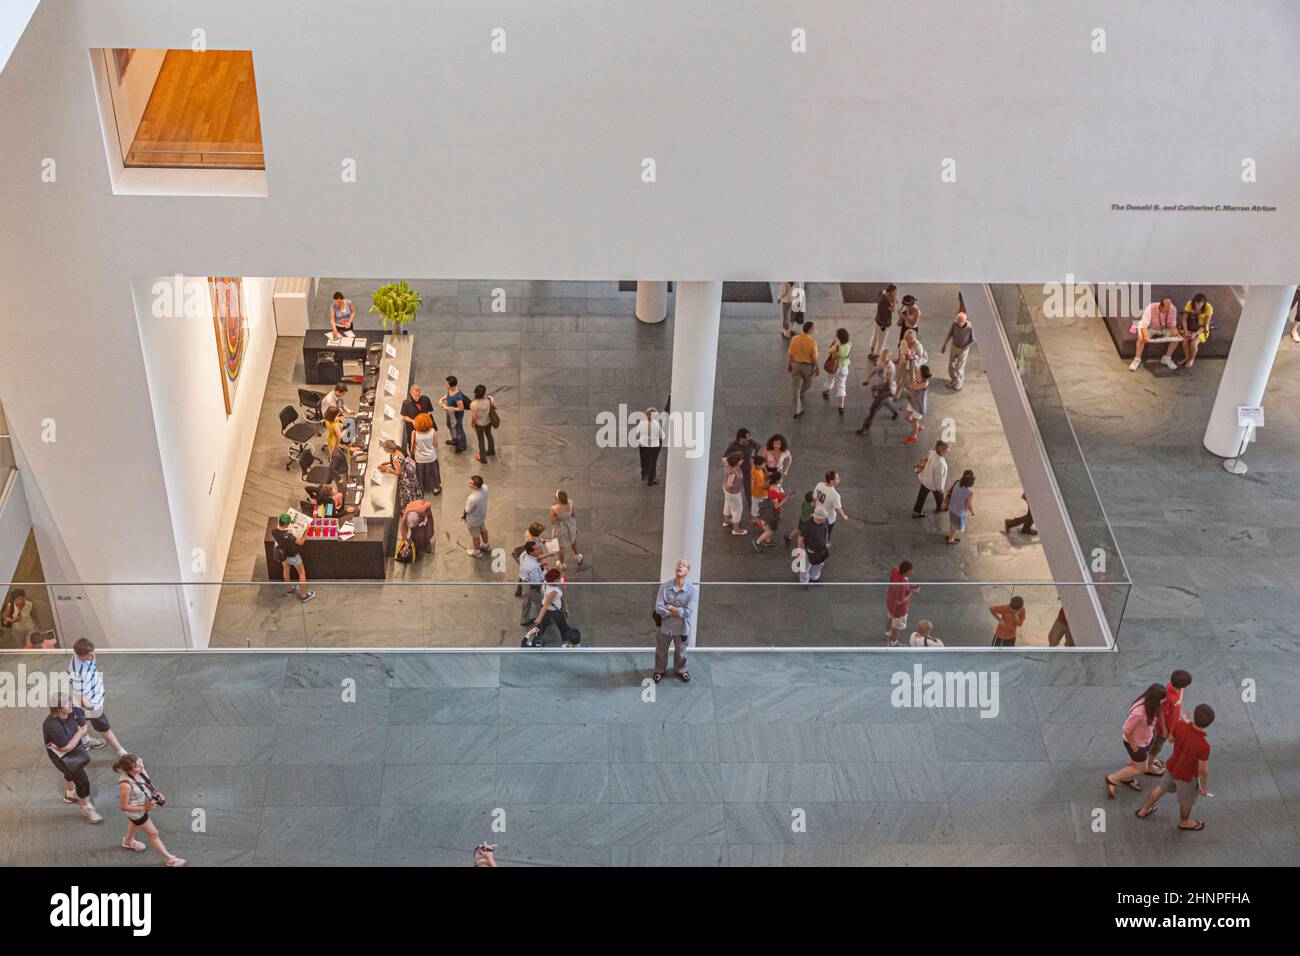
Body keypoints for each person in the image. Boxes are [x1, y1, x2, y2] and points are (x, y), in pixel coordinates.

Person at [1135, 703, 1214, 831]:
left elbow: (1171, 740)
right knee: (1187, 801)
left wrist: (1185, 722)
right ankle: (1184, 821)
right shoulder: (1204, 745)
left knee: (1160, 788)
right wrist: (1203, 788)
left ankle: (1144, 810)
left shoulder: (1180, 725)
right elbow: (1202, 770)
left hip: (1172, 765)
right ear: (1208, 724)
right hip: (1187, 775)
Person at [113, 754, 185, 866]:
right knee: (153, 834)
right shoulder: (125, 785)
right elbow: (123, 806)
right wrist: (144, 807)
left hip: (145, 804)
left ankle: (128, 841)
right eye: (137, 766)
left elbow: (147, 783)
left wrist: (156, 793)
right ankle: (170, 859)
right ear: (129, 770)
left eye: (140, 762)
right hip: (136, 812)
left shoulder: (140, 770)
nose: (141, 766)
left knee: (134, 823)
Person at [43, 695, 103, 824]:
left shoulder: (73, 710)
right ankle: (87, 808)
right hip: (61, 756)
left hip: (74, 747)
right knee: (83, 781)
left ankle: (69, 795)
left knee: (71, 774)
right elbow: (66, 748)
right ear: (57, 709)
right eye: (66, 704)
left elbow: (84, 727)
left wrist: (80, 732)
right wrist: (79, 733)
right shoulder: (52, 725)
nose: (70, 705)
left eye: (69, 701)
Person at [1105, 683, 1168, 798]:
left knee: (1134, 762)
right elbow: (1127, 730)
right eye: (1163, 698)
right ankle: (1113, 778)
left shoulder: (1149, 702)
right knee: (1141, 768)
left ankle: (1126, 777)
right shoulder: (1139, 713)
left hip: (1144, 740)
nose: (1165, 700)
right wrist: (1134, 745)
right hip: (1137, 744)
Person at [68, 639, 126, 755]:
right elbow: (78, 695)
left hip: (94, 694)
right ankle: (123, 753)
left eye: (93, 652)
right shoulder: (78, 673)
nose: (93, 656)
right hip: (91, 702)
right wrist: (91, 707)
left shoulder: (87, 654)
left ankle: (86, 741)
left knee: (80, 721)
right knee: (104, 728)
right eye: (89, 655)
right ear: (80, 655)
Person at [652, 559, 697, 683]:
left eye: (683, 565)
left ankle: (681, 670)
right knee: (661, 650)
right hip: (665, 626)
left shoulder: (692, 590)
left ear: (687, 571)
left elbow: (688, 611)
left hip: (682, 628)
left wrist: (671, 608)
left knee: (681, 651)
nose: (680, 566)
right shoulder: (665, 587)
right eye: (678, 564)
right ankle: (659, 670)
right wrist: (677, 612)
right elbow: (659, 607)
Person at [1146, 669, 1192, 774]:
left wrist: (1179, 716)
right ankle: (1149, 766)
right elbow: (1161, 713)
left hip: (1172, 723)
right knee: (1156, 747)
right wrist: (1164, 730)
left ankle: (1150, 759)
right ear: (1183, 685)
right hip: (1163, 727)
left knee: (1155, 746)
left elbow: (1178, 702)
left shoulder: (1178, 690)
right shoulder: (1168, 697)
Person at [856, 349, 902, 433]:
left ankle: (865, 428)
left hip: (885, 391)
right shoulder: (880, 360)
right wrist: (868, 379)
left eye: (885, 357)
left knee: (873, 410)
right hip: (882, 389)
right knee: (887, 402)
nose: (883, 358)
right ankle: (897, 411)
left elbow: (888, 383)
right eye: (882, 356)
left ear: (888, 357)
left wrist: (877, 388)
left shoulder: (890, 368)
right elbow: (875, 369)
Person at [272, 514, 315, 603]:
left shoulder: (274, 531)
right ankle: (304, 595)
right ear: (286, 524)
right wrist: (307, 529)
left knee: (286, 569)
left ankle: (290, 589)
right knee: (302, 572)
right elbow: (301, 542)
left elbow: (280, 529)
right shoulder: (289, 536)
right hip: (292, 555)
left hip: (283, 555)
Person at [1129, 297, 1180, 371]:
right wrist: (1146, 337)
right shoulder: (1151, 308)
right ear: (1161, 306)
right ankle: (1137, 359)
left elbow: (1172, 325)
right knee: (1141, 338)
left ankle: (1167, 358)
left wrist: (1177, 335)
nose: (1168, 312)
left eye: (1169, 310)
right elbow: (1144, 325)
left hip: (1164, 328)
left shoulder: (1173, 309)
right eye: (1166, 310)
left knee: (1176, 339)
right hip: (1150, 327)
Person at [724, 428, 761, 517]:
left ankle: (751, 504)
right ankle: (732, 504)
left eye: (748, 436)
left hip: (747, 469)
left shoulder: (751, 442)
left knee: (748, 488)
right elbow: (725, 457)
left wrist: (754, 455)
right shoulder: (733, 445)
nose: (748, 439)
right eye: (745, 438)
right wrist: (731, 467)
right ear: (739, 438)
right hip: (736, 471)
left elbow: (758, 446)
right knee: (735, 489)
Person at [379, 438, 423, 513]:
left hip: (406, 475)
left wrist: (386, 468)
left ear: (388, 449)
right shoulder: (398, 449)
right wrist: (387, 463)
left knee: (407, 491)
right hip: (410, 469)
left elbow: (398, 472)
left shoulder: (395, 458)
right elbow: (401, 461)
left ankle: (409, 507)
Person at [788, 320, 819, 418]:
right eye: (813, 328)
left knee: (795, 388)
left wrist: (790, 364)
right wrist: (817, 368)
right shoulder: (812, 342)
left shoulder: (795, 339)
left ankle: (797, 410)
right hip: (807, 367)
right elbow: (814, 358)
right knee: (808, 383)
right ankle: (800, 394)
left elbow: (791, 353)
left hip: (796, 365)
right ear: (810, 330)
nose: (814, 330)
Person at [912, 439, 949, 518]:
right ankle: (940, 507)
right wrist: (940, 488)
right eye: (947, 450)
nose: (948, 451)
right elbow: (939, 479)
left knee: (922, 495)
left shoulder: (933, 452)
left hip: (926, 478)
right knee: (938, 494)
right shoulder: (940, 463)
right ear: (942, 451)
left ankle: (916, 511)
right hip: (933, 483)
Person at [940, 306, 975, 390]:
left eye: (961, 321)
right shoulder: (955, 323)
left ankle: (959, 382)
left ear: (965, 321)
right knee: (951, 364)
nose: (959, 323)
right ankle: (953, 379)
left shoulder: (970, 328)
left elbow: (973, 339)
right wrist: (944, 344)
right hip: (955, 346)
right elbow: (950, 333)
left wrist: (967, 346)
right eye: (958, 321)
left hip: (963, 349)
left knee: (960, 367)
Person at [885, 560, 919, 646]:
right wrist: (912, 592)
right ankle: (893, 642)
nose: (912, 572)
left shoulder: (895, 570)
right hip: (898, 610)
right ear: (906, 571)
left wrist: (910, 588)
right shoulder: (902, 583)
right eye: (911, 570)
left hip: (890, 601)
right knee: (896, 626)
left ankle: (887, 633)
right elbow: (900, 601)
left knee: (889, 617)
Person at [407, 413, 442, 495]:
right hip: (431, 457)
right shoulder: (433, 431)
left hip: (419, 458)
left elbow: (413, 446)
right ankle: (436, 488)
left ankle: (421, 490)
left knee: (420, 473)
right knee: (434, 472)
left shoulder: (414, 433)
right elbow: (436, 445)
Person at [550, 489, 584, 570]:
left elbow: (553, 522)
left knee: (561, 547)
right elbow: (574, 514)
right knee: (573, 541)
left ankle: (562, 564)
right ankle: (578, 557)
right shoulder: (571, 503)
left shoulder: (553, 509)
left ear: (557, 499)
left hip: (561, 529)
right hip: (571, 525)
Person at [796, 506, 831, 583]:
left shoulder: (825, 520)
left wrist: (826, 542)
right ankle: (804, 581)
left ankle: (814, 577)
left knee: (820, 564)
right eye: (823, 518)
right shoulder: (807, 525)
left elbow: (826, 531)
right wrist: (799, 550)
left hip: (821, 550)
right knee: (805, 568)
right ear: (818, 517)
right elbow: (800, 538)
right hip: (810, 551)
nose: (825, 519)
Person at [821, 328, 852, 414]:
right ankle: (841, 406)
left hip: (834, 367)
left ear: (839, 338)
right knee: (842, 385)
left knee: (830, 379)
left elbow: (829, 351)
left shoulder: (837, 347)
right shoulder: (849, 345)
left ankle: (826, 392)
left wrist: (834, 343)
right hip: (844, 368)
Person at [517, 539, 547, 626]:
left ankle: (524, 619)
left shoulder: (524, 554)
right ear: (531, 552)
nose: (540, 550)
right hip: (532, 586)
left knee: (527, 599)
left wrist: (539, 566)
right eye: (537, 549)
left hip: (524, 581)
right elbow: (537, 581)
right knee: (545, 602)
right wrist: (545, 571)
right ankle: (544, 620)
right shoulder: (533, 567)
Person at [752, 467, 784, 551]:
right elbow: (776, 506)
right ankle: (757, 542)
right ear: (777, 481)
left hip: (769, 510)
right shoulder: (774, 492)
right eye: (780, 479)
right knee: (772, 530)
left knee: (769, 526)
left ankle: (767, 541)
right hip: (774, 512)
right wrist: (786, 499)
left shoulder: (771, 486)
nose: (781, 480)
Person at [1177, 293, 1212, 369]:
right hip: (1190, 326)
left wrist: (1196, 334)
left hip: (1201, 329)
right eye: (1196, 304)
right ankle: (1186, 357)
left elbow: (1205, 325)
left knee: (1193, 343)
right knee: (1184, 340)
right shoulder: (1190, 304)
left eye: (1200, 305)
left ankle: (1191, 359)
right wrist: (1186, 331)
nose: (1198, 307)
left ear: (1204, 304)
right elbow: (1184, 320)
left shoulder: (1208, 308)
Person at [944, 469, 976, 544]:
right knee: (955, 527)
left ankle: (949, 535)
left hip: (951, 507)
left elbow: (947, 489)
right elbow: (969, 505)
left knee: (952, 523)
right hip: (959, 511)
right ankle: (951, 539)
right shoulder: (970, 491)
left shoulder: (957, 482)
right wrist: (973, 512)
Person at [902, 363, 931, 445]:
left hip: (919, 405)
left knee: (914, 421)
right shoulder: (919, 379)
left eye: (918, 371)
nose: (916, 371)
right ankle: (917, 426)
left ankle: (914, 437)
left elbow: (912, 387)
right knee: (907, 417)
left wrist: (914, 381)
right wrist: (914, 381)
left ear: (921, 373)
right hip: (913, 401)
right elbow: (912, 386)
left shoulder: (924, 383)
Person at [400, 383, 435, 451]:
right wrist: (412, 421)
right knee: (412, 442)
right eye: (415, 396)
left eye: (419, 395)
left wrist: (426, 418)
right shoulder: (406, 403)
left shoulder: (426, 399)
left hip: (425, 425)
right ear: (411, 393)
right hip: (413, 426)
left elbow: (429, 411)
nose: (417, 398)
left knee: (426, 439)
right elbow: (404, 417)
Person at [439, 375, 469, 453]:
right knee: (449, 425)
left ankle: (462, 445)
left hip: (456, 416)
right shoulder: (451, 389)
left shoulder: (458, 396)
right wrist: (442, 398)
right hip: (450, 413)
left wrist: (447, 408)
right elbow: (448, 395)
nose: (445, 385)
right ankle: (455, 440)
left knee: (458, 429)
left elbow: (461, 408)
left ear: (451, 386)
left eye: (446, 384)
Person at [813, 470, 847, 538]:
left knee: (817, 528)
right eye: (837, 478)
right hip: (828, 518)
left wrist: (815, 508)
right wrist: (844, 516)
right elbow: (838, 509)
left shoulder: (819, 484)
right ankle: (826, 542)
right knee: (827, 531)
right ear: (832, 481)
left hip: (817, 513)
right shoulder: (835, 495)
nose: (839, 479)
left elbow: (814, 498)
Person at [462, 476, 490, 557]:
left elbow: (467, 510)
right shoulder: (485, 488)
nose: (469, 484)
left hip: (473, 520)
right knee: (483, 530)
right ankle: (486, 545)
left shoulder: (472, 498)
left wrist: (464, 513)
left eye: (471, 483)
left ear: (476, 486)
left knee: (475, 536)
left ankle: (477, 552)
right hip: (481, 516)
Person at [636, 407, 665, 486]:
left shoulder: (642, 423)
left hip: (643, 445)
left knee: (644, 460)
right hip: (654, 446)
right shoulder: (656, 424)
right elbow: (662, 436)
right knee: (652, 461)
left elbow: (637, 436)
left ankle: (644, 474)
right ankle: (651, 479)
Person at [868, 284, 897, 360]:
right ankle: (876, 356)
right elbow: (894, 309)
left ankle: (871, 352)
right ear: (892, 291)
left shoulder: (881, 293)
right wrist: (894, 298)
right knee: (881, 341)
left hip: (878, 320)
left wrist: (891, 297)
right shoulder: (886, 300)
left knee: (874, 337)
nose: (896, 293)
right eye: (895, 292)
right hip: (884, 324)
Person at [469, 384, 497, 464]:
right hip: (488, 422)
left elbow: (474, 417)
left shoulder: (473, 404)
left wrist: (472, 425)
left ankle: (483, 458)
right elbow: (494, 407)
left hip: (479, 424)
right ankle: (491, 451)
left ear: (475, 392)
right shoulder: (489, 399)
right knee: (489, 435)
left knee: (481, 440)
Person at [721, 452, 748, 535]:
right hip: (733, 493)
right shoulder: (734, 471)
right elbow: (729, 484)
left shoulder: (727, 463)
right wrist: (734, 485)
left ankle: (726, 521)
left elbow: (724, 459)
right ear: (736, 461)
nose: (742, 461)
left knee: (728, 504)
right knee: (737, 509)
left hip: (726, 490)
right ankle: (736, 530)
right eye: (740, 460)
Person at [896, 328, 927, 395]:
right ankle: (896, 395)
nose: (910, 340)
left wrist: (913, 357)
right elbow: (901, 351)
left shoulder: (918, 345)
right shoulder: (903, 342)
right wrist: (903, 355)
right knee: (899, 378)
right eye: (908, 338)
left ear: (914, 337)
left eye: (911, 338)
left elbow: (920, 356)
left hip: (913, 364)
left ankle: (914, 395)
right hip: (904, 363)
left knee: (913, 379)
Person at [749, 456, 768, 523]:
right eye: (763, 464)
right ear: (758, 465)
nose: (764, 465)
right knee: (755, 506)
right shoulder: (757, 473)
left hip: (757, 492)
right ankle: (753, 519)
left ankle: (755, 517)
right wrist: (767, 484)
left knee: (756, 505)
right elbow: (761, 486)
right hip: (757, 492)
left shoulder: (756, 469)